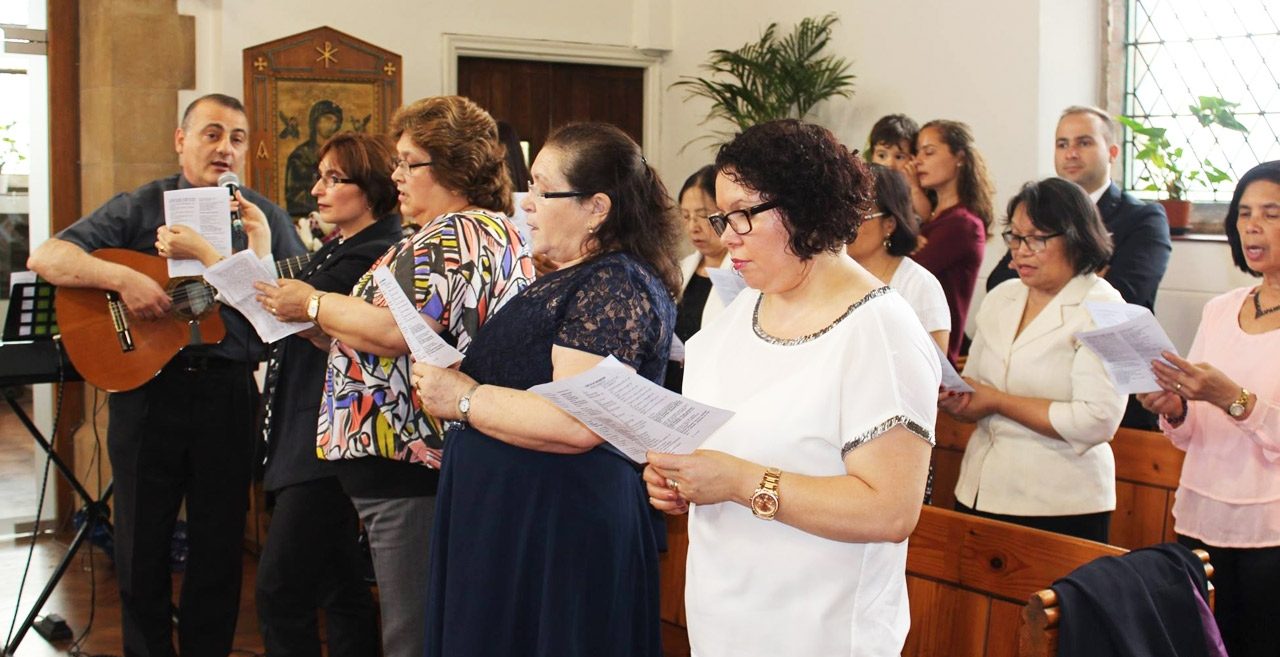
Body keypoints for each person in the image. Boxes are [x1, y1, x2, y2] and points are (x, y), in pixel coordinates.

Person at [645, 119, 940, 656]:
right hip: (725, 621)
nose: (725, 234)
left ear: (804, 208)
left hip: (821, 631)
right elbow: (713, 453)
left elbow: (890, 511)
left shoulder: (880, 330)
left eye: (742, 215)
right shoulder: (730, 324)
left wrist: (737, 481)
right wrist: (677, 481)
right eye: (721, 215)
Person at [27, 93, 306, 657]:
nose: (225, 147)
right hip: (148, 391)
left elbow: (298, 297)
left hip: (228, 393)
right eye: (211, 133)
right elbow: (48, 258)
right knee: (139, 544)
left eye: (237, 137)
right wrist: (124, 280)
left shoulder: (263, 217)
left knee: (219, 544)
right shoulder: (141, 204)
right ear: (181, 140)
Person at [256, 96, 534, 657]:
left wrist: (313, 304)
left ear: (453, 167)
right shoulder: (473, 230)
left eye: (410, 163)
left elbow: (395, 331)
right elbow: (406, 328)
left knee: (413, 631)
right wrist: (332, 330)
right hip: (408, 458)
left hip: (409, 460)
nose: (397, 176)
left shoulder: (455, 233)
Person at [408, 122, 679, 657]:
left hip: (556, 521)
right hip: (519, 513)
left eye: (541, 189)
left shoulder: (613, 281)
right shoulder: (578, 274)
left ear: (596, 207)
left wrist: (463, 398)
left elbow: (575, 423)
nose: (525, 203)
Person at [162, 132, 401, 656]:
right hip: (310, 433)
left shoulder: (373, 252)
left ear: (373, 188)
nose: (317, 189)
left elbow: (284, 314)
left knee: (280, 590)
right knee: (339, 587)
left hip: (327, 442)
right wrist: (263, 249)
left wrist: (204, 252)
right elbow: (281, 305)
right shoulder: (343, 245)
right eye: (319, 175)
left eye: (334, 179)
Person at [1137, 161, 1280, 657]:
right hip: (1202, 517)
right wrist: (1175, 407)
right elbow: (1191, 430)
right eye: (1243, 213)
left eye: (1270, 212)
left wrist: (1233, 400)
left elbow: (1232, 403)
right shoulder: (1220, 309)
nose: (1251, 226)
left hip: (1271, 530)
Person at [941, 177, 1125, 542]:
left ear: (1075, 237)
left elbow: (1098, 420)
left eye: (1037, 238)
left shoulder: (1108, 308)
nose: (1020, 251)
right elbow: (977, 386)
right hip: (981, 486)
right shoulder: (1002, 297)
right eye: (1015, 237)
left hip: (1061, 501)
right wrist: (957, 400)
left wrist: (997, 401)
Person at [988, 105, 1172, 429]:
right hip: (1032, 383)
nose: (1071, 153)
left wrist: (1052, 279)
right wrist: (1079, 275)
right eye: (1062, 144)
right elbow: (1001, 281)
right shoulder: (1037, 214)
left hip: (1115, 391)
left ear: (1112, 151)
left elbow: (1127, 293)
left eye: (1084, 143)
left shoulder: (1143, 217)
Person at [911, 119, 994, 364]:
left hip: (933, 356)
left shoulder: (963, 224)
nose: (918, 161)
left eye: (929, 152)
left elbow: (909, 271)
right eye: (917, 153)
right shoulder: (931, 217)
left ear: (959, 157)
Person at [847, 163, 950, 353]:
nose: (846, 226)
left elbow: (936, 369)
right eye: (843, 214)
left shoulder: (920, 285)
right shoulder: (833, 276)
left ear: (889, 224)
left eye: (858, 217)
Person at [665, 164, 730, 393]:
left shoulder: (744, 274)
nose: (693, 227)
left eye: (703, 216)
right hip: (674, 386)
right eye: (686, 216)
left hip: (717, 388)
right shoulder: (681, 269)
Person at [865, 113, 932, 222]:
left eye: (899, 157)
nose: (889, 164)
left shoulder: (913, 186)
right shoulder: (868, 184)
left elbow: (925, 217)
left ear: (913, 158)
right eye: (881, 155)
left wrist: (914, 187)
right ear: (872, 156)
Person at [285, 100, 344, 216]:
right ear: (316, 122)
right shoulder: (300, 156)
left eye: (335, 121)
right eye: (327, 119)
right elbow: (294, 196)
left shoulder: (340, 155)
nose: (332, 124)